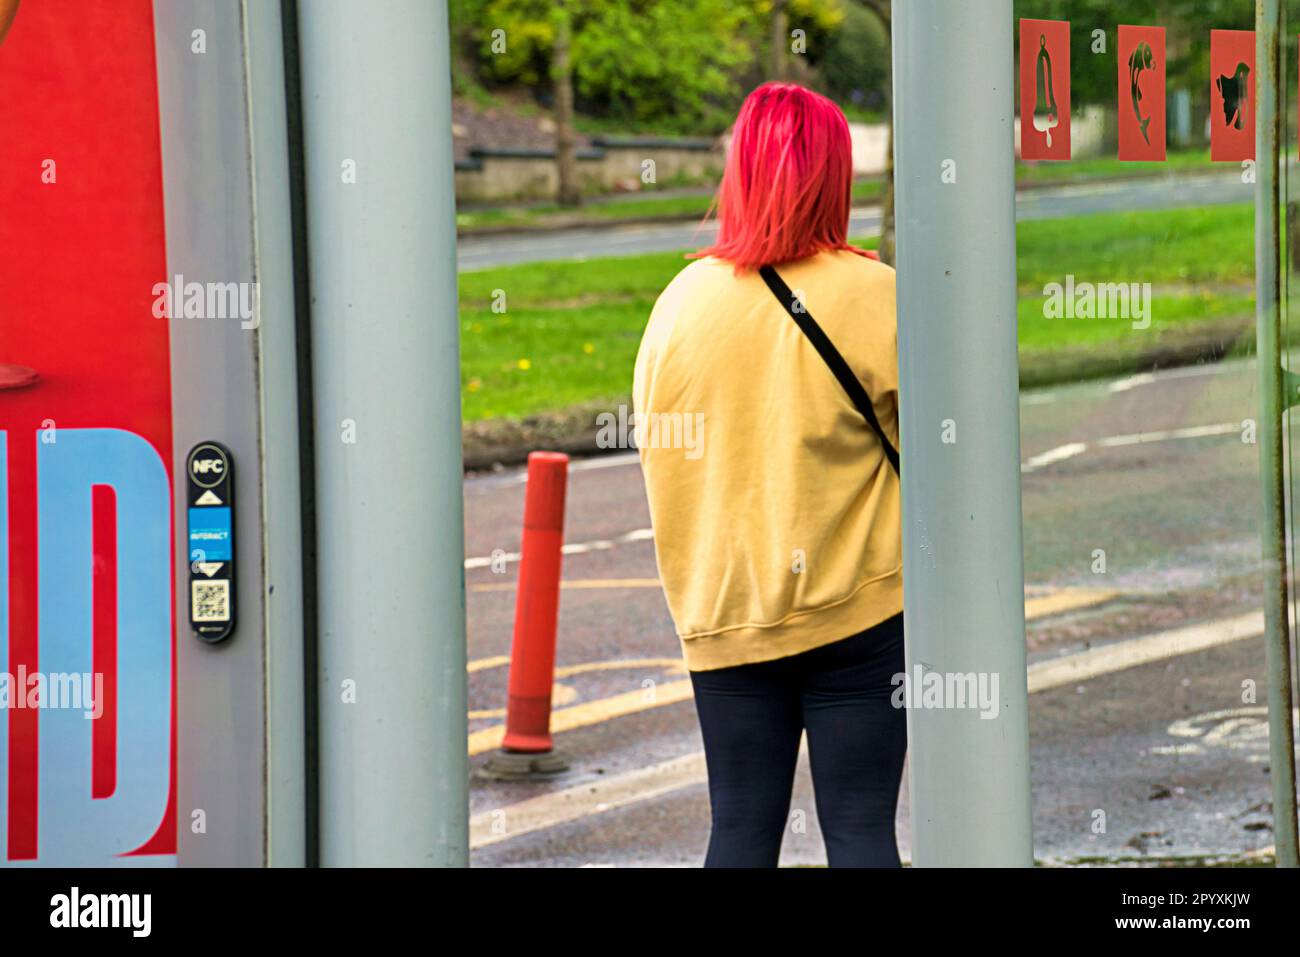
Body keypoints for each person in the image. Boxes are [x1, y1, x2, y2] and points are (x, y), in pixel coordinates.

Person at [632, 81, 904, 868]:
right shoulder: (876, 295)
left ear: (739, 173)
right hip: (858, 610)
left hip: (726, 616)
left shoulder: (677, 306)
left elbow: (663, 457)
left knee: (739, 834)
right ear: (836, 175)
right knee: (860, 830)